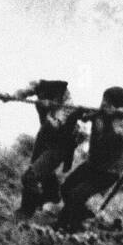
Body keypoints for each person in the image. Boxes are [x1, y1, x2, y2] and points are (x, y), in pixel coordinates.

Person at [57, 87, 123, 231]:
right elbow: (82, 118)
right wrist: (78, 113)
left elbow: (106, 142)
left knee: (76, 196)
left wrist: (107, 120)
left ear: (117, 108)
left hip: (108, 172)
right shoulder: (99, 114)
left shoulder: (122, 129)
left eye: (107, 102)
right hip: (92, 165)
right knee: (66, 187)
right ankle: (81, 214)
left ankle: (70, 227)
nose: (103, 104)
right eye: (103, 100)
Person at [14, 79, 84, 215]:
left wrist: (48, 107)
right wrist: (15, 95)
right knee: (41, 170)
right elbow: (23, 92)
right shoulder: (40, 85)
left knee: (30, 176)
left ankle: (27, 210)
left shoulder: (67, 106)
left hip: (61, 143)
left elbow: (54, 126)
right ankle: (51, 196)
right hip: (44, 136)